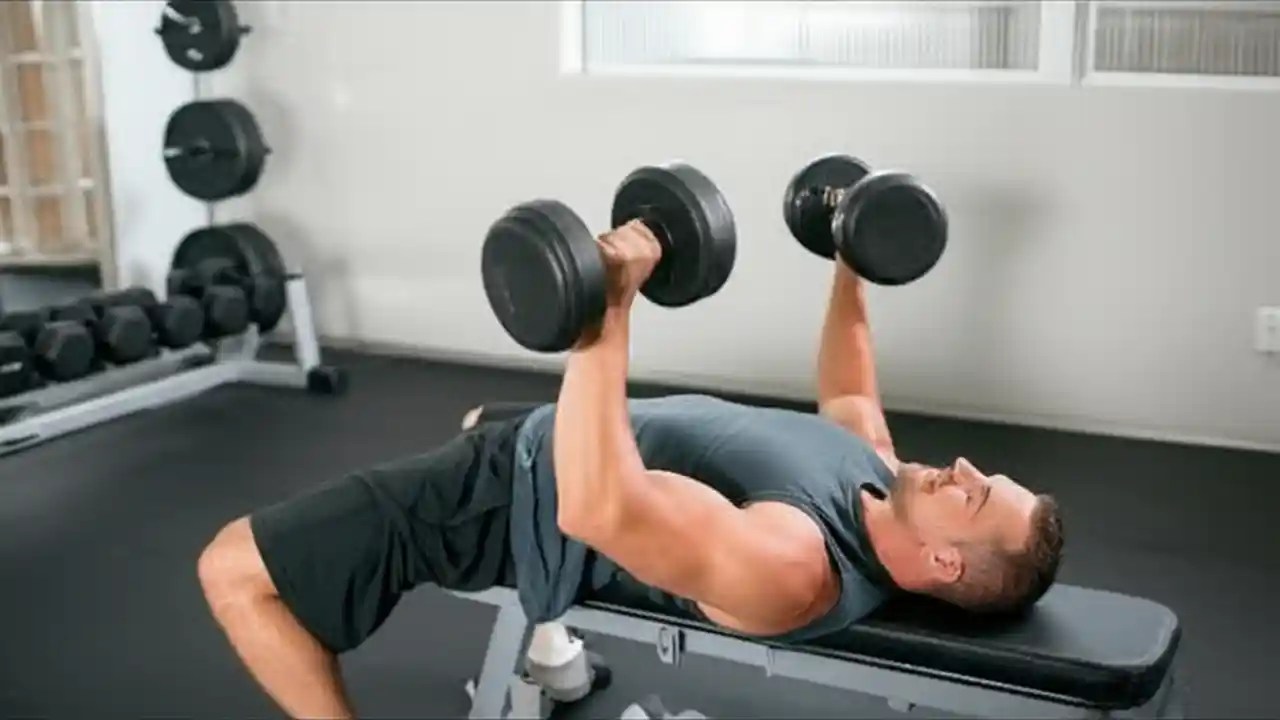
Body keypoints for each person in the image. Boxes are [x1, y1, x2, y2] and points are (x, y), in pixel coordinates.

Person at [197, 220, 1064, 719]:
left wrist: (607, 308)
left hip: (522, 490)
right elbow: (851, 393)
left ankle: (534, 617)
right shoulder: (876, 478)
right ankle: (553, 652)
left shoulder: (793, 565)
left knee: (235, 571)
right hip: (583, 431)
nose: (960, 466)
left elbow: (598, 509)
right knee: (471, 416)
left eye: (976, 494)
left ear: (945, 562)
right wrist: (853, 262)